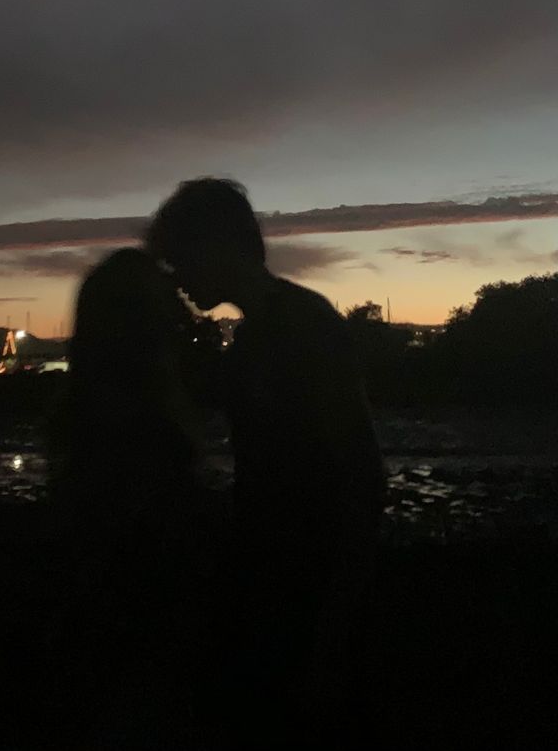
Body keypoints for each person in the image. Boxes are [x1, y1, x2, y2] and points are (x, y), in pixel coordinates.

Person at [147, 178, 386, 747]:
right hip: (283, 577)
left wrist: (336, 613)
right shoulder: (272, 327)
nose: (177, 277)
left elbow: (360, 468)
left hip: (302, 582)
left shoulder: (298, 325)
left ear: (217, 249)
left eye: (179, 259)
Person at [48, 248, 210, 750]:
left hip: (102, 633)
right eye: (169, 302)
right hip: (150, 634)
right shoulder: (143, 414)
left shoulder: (85, 405)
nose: (183, 312)